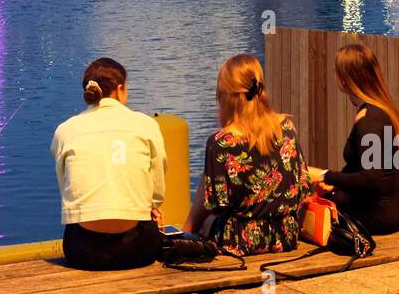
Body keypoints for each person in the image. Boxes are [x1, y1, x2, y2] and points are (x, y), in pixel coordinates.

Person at [182, 54, 311, 256]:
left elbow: (216, 204)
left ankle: (184, 234)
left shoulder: (221, 142)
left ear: (224, 96)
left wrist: (188, 230)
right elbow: (303, 185)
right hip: (285, 235)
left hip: (239, 240)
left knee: (206, 220)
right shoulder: (286, 127)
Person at [50, 57, 167, 270]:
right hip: (138, 250)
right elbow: (157, 191)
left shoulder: (65, 130)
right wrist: (151, 206)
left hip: (82, 252)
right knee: (149, 217)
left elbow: (66, 189)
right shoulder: (146, 125)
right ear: (120, 89)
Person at [308, 44, 399, 236]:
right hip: (395, 212)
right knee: (328, 196)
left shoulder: (370, 118)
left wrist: (324, 175)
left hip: (380, 216)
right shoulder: (382, 110)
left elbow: (371, 179)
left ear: (346, 79)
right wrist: (337, 184)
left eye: (336, 71)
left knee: (307, 211)